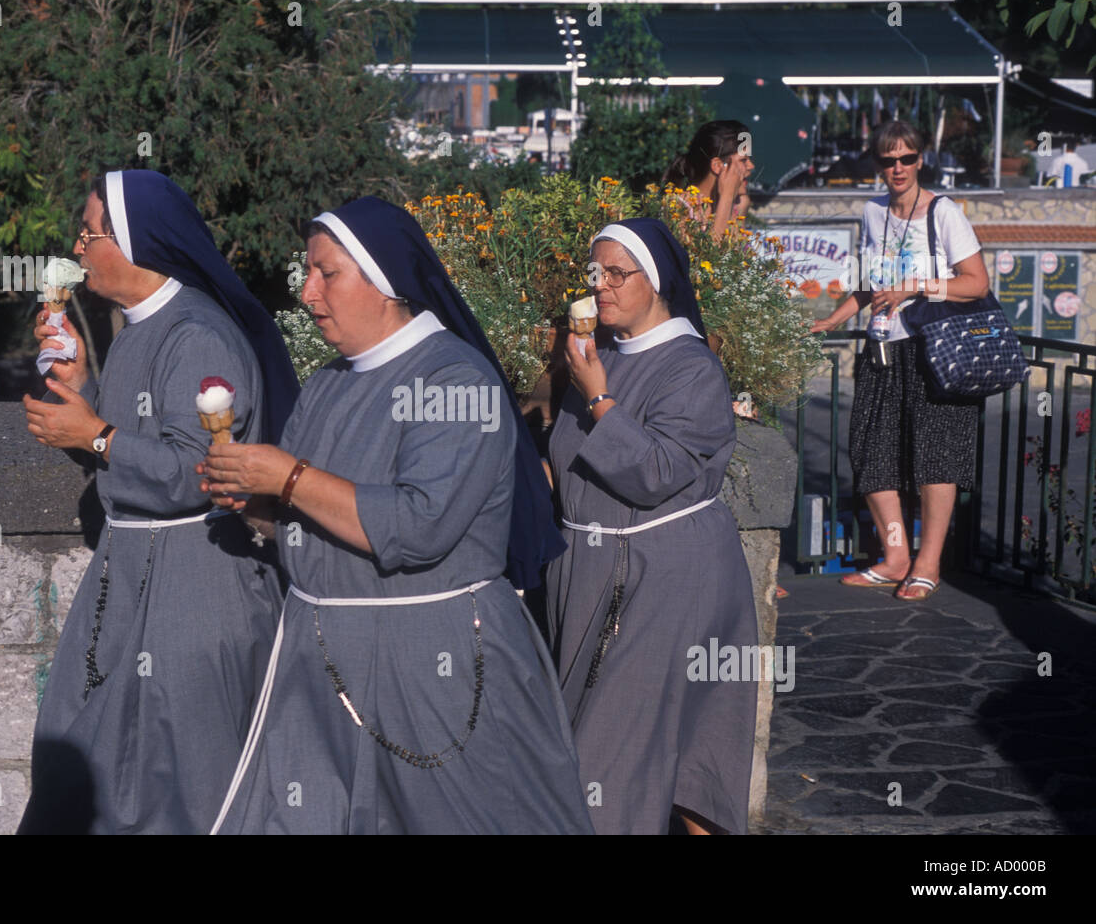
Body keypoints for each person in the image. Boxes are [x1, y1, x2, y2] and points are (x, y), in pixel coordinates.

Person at [199, 196, 590, 834]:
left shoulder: (457, 382)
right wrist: (258, 506)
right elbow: (308, 520)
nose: (306, 291)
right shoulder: (327, 383)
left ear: (383, 282)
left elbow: (416, 527)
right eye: (308, 272)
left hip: (433, 664)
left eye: (327, 273)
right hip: (322, 663)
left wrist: (288, 478)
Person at [18, 170, 299, 833]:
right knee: (90, 765)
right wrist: (83, 394)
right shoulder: (142, 327)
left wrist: (96, 433)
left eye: (90, 233)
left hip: (196, 588)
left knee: (181, 786)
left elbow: (201, 469)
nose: (79, 248)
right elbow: (138, 446)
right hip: (136, 573)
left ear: (134, 241)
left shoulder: (198, 334)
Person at [545, 217, 758, 835]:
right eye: (595, 273)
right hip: (596, 571)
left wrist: (599, 399)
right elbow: (567, 459)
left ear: (656, 280)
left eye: (616, 273)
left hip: (665, 579)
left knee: (611, 764)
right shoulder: (598, 355)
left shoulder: (691, 368)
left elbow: (656, 472)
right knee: (671, 757)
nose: (600, 287)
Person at [811, 120, 990, 600]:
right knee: (872, 455)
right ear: (876, 164)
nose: (897, 168)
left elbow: (976, 282)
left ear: (920, 160)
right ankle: (895, 557)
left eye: (906, 159)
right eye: (888, 160)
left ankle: (927, 563)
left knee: (935, 458)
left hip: (932, 348)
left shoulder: (944, 212)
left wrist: (916, 286)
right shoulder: (872, 213)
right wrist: (834, 319)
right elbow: (870, 285)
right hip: (881, 349)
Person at [663, 119, 756, 239]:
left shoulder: (739, 203)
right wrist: (727, 197)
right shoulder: (678, 207)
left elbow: (735, 255)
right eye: (743, 160)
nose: (751, 166)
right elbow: (711, 256)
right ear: (717, 165)